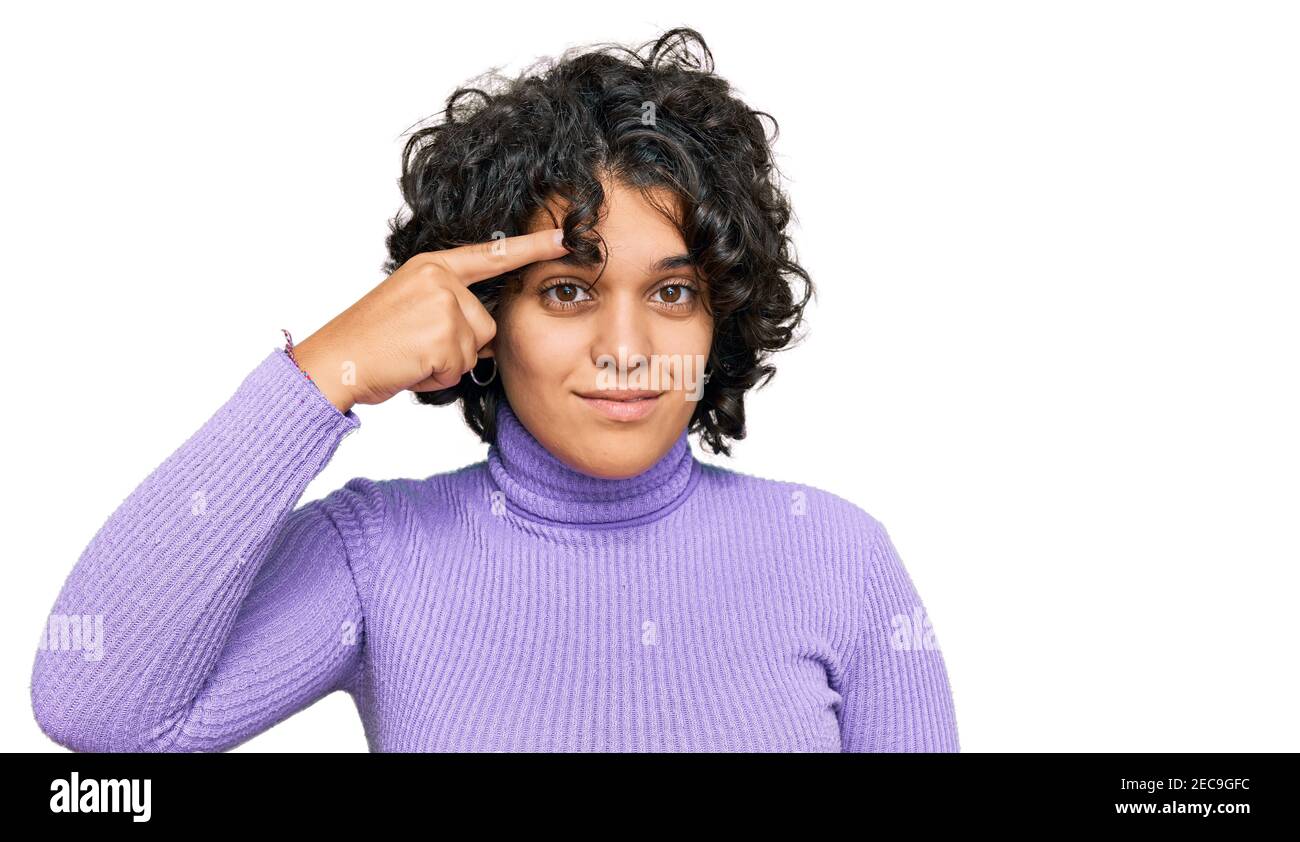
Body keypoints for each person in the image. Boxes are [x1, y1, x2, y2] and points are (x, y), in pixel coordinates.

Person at [31, 27, 959, 752]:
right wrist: (321, 375)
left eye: (672, 292)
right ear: (483, 316)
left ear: (720, 317)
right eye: (568, 291)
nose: (627, 348)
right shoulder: (376, 556)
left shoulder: (839, 558)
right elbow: (98, 708)